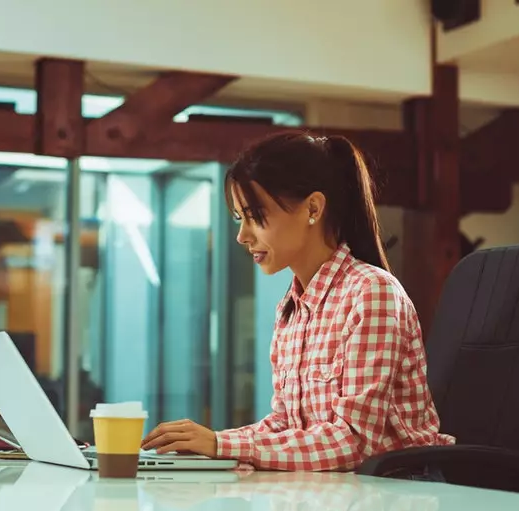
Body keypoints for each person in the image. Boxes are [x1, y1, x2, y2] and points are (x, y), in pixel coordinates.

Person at [141, 131, 455, 471]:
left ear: (313, 209)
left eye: (255, 216)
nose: (242, 236)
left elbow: (354, 442)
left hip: (396, 498)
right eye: (240, 218)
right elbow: (285, 426)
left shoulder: (372, 294)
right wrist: (208, 449)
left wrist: (221, 445)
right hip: (335, 496)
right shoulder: (291, 309)